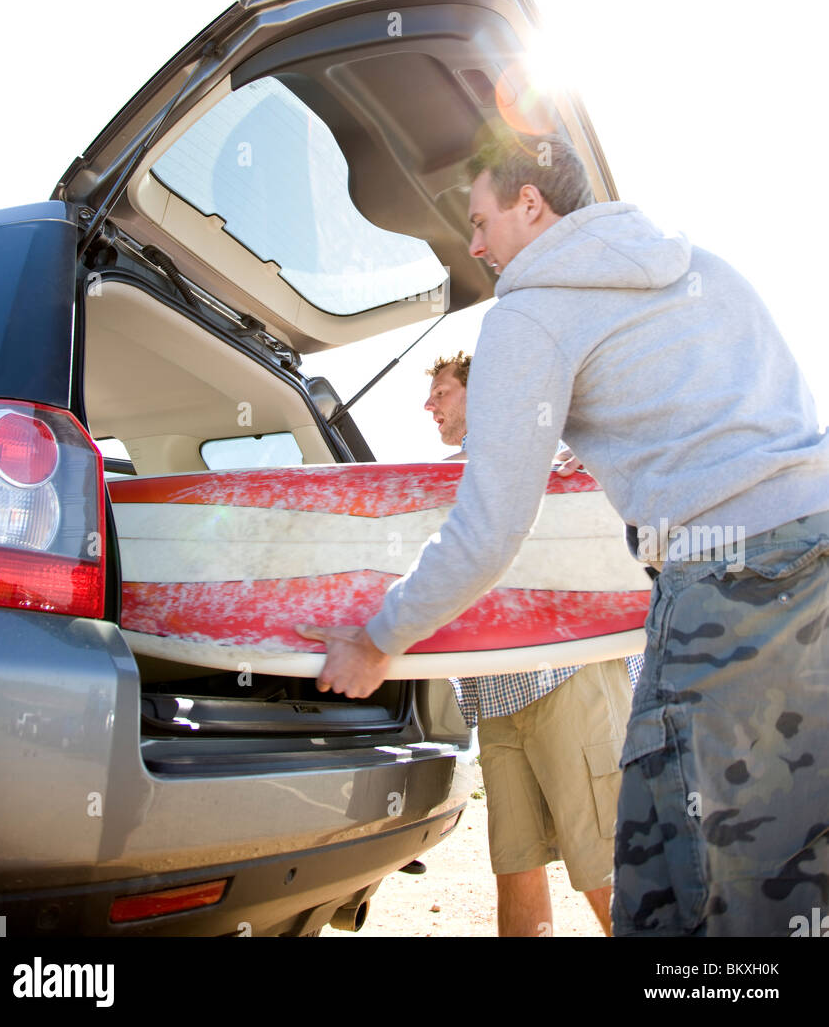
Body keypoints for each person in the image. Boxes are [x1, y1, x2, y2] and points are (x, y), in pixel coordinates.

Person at [299, 130, 829, 937]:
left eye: (480, 221)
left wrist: (376, 643)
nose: (474, 246)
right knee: (795, 865)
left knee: (678, 889)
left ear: (530, 204)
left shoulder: (531, 314)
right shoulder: (701, 265)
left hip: (724, 592)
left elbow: (490, 528)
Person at [424, 351, 642, 937]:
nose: (429, 405)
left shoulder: (549, 452)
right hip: (495, 696)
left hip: (571, 677)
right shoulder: (442, 478)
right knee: (515, 865)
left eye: (441, 393)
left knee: (606, 862)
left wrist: (598, 454)